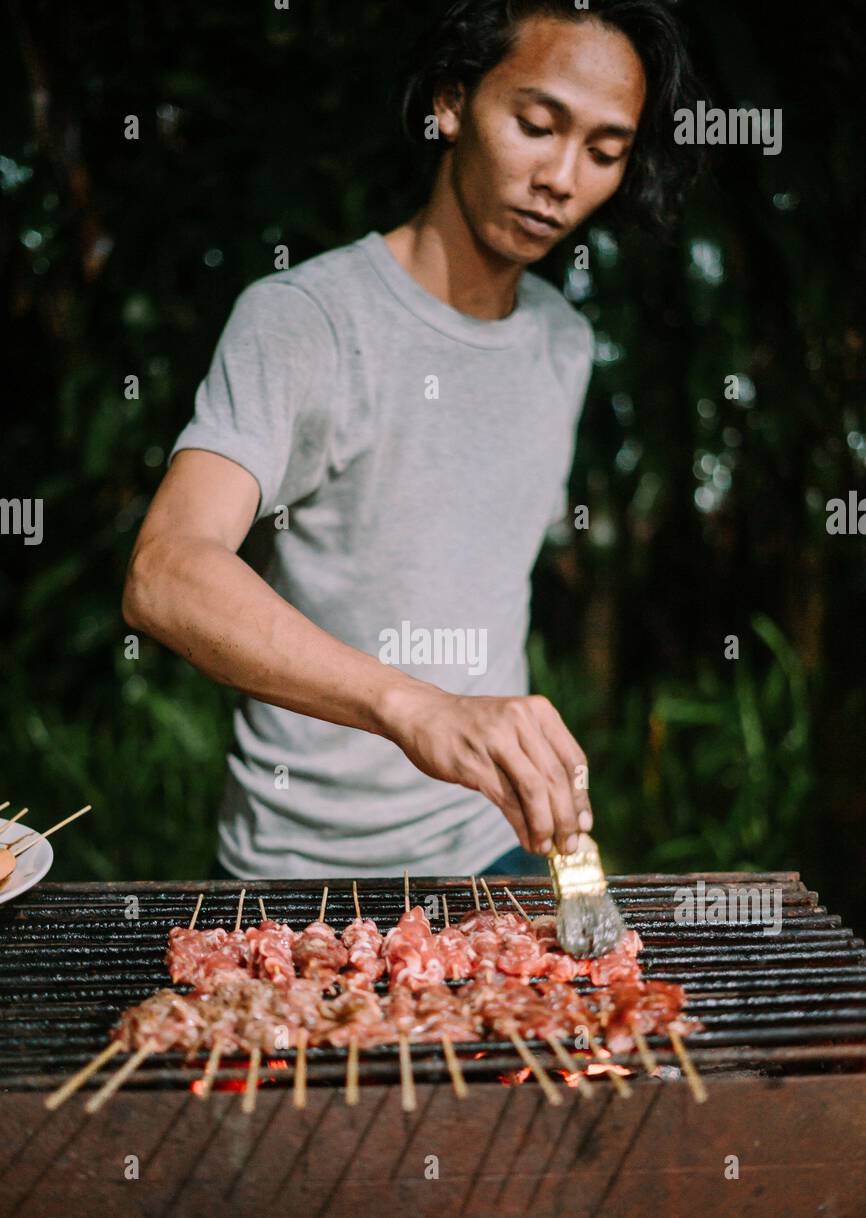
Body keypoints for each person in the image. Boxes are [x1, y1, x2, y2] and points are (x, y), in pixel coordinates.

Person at [122, 0, 698, 881]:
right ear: (452, 103)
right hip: (300, 872)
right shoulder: (305, 320)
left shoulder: (563, 345)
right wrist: (414, 706)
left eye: (605, 152)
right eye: (536, 125)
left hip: (493, 846)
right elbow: (166, 574)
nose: (561, 177)